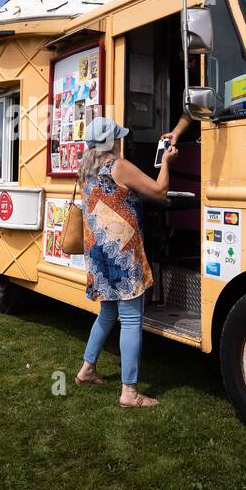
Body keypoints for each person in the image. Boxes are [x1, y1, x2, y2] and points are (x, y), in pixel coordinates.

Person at [74, 117, 176, 408]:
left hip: (98, 252)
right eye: (118, 137)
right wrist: (166, 161)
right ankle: (129, 392)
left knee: (107, 312)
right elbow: (159, 190)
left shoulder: (85, 169)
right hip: (122, 252)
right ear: (111, 142)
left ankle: (87, 368)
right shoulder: (118, 166)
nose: (121, 141)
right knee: (131, 318)